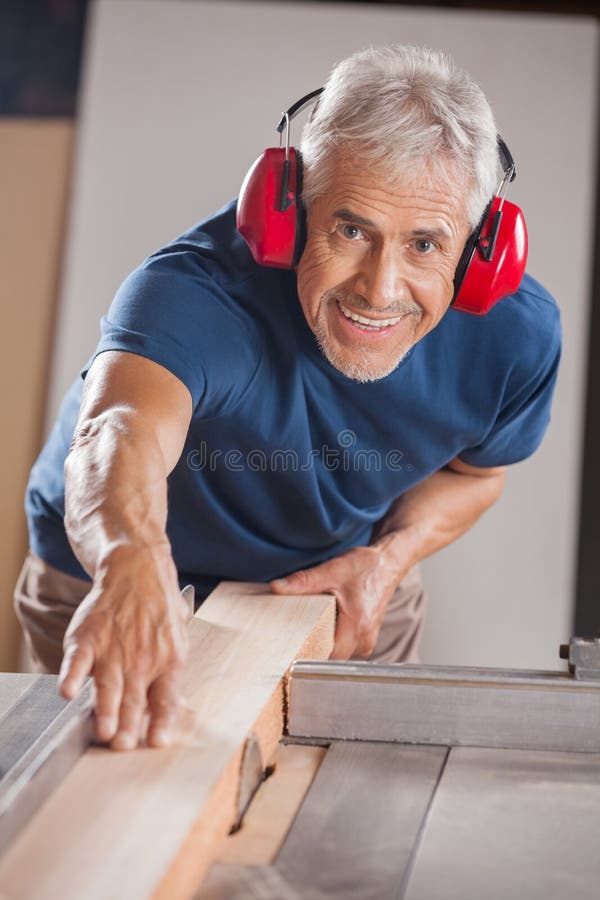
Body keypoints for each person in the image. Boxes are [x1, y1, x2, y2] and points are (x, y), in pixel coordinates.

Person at [15, 45, 561, 751]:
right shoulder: (195, 296)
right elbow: (119, 432)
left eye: (425, 244)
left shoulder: (515, 336)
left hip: (342, 577)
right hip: (122, 569)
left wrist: (388, 561)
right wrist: (125, 558)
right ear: (290, 212)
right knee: (116, 790)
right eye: (351, 230)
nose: (379, 289)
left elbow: (477, 477)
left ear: (482, 249)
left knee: (369, 787)